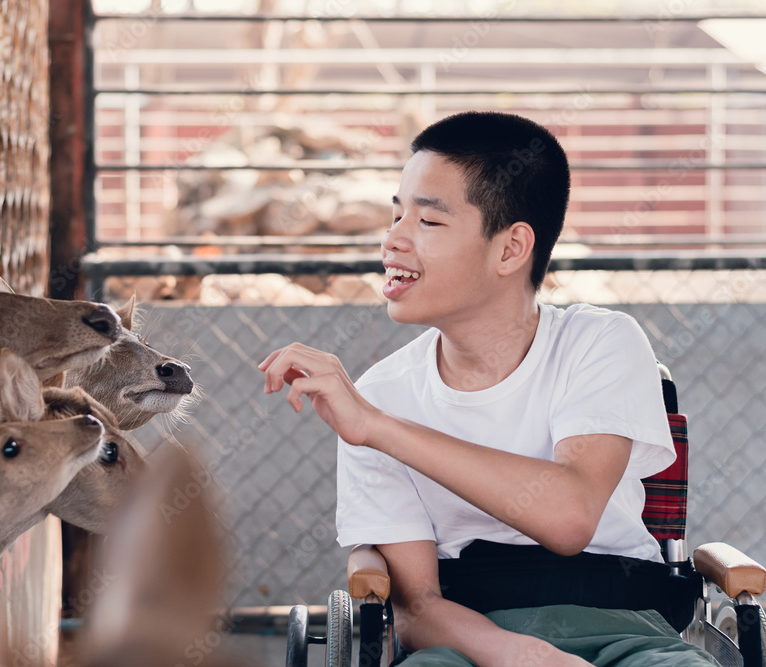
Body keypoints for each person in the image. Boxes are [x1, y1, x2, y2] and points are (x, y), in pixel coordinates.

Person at [258, 111, 720, 666]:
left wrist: (380, 429)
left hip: (627, 630)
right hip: (464, 640)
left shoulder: (600, 341)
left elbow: (569, 517)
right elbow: (417, 607)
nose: (393, 239)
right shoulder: (378, 394)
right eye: (396, 214)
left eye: (427, 222)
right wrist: (525, 656)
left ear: (510, 249)